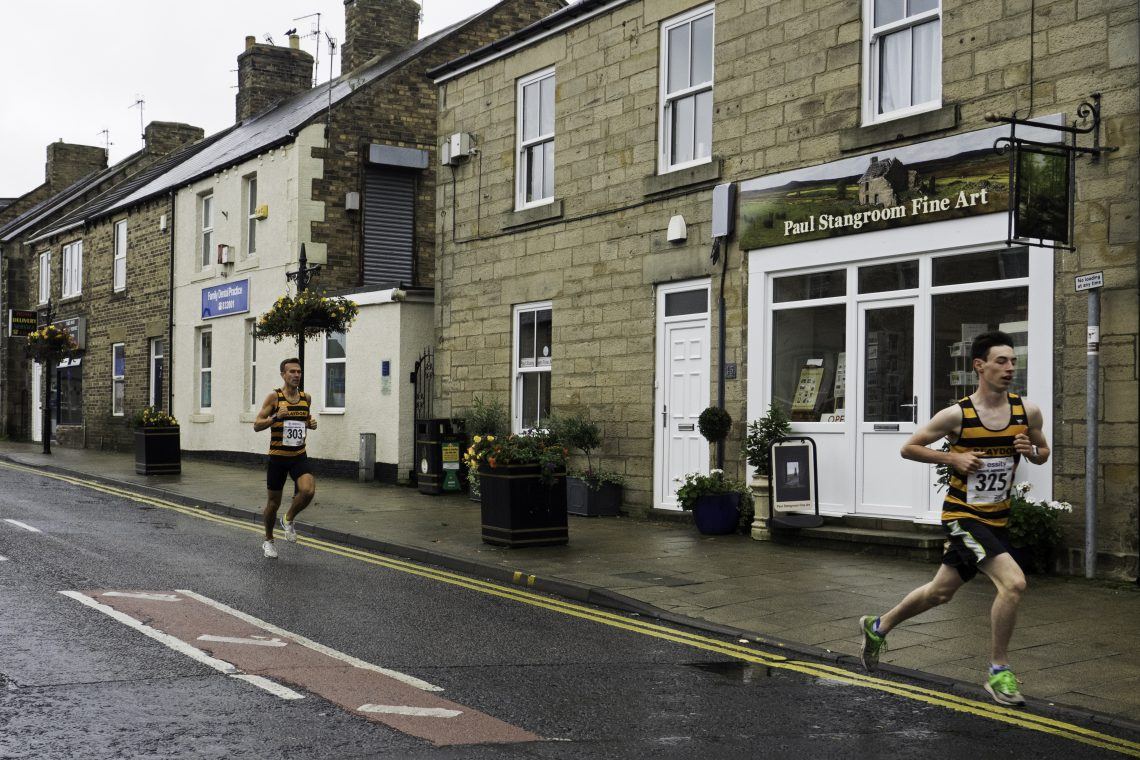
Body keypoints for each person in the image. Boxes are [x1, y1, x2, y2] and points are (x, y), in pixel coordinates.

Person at [858, 331, 1050, 707]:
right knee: (1013, 584)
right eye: (1001, 361)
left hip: (997, 519)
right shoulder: (957, 414)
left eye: (1013, 361)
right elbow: (909, 447)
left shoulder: (1027, 411)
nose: (1010, 367)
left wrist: (1033, 451)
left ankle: (878, 626)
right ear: (979, 366)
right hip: (963, 515)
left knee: (940, 592)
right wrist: (953, 458)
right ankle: (999, 672)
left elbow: (1043, 451)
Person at [253, 357, 318, 558]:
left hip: (298, 455)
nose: (296, 375)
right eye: (292, 372)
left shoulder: (306, 398)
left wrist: (310, 423)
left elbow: (303, 420)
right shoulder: (274, 397)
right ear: (283, 374)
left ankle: (288, 519)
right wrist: (275, 417)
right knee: (273, 504)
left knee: (308, 490)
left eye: (298, 372)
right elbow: (256, 425)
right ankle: (269, 540)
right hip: (278, 458)